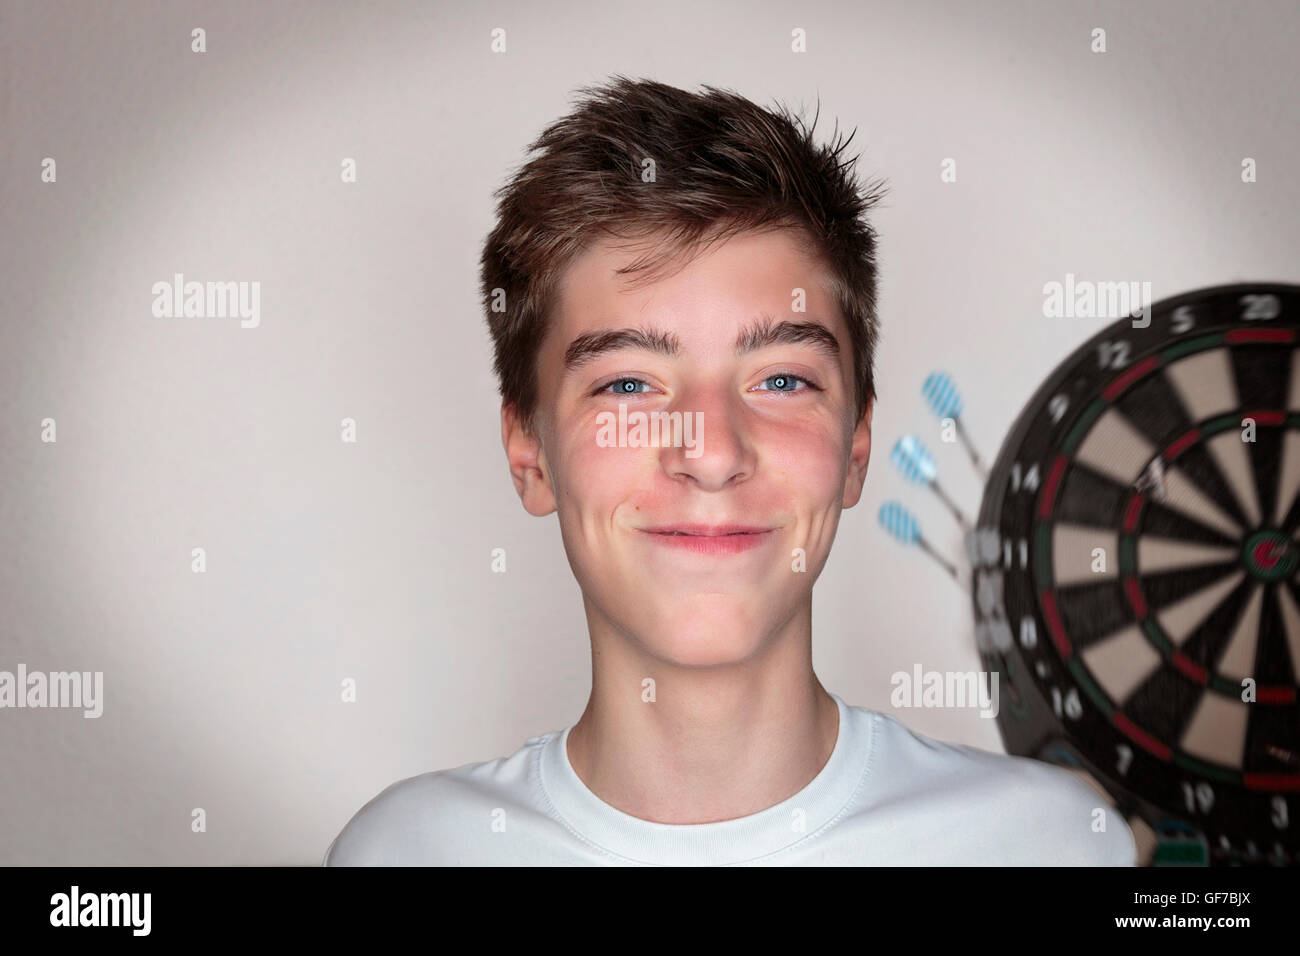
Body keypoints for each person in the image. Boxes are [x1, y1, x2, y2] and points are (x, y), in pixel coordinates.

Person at [325, 74, 1136, 866]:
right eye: (628, 383)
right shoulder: (404, 851)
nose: (711, 451)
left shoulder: (1051, 847)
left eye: (782, 380)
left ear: (856, 445)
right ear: (528, 453)